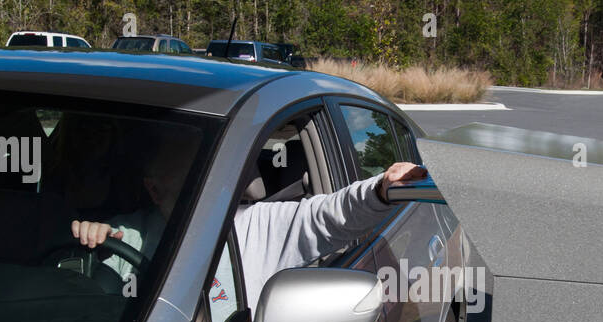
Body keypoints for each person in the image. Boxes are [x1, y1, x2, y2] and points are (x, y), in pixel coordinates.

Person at [69, 131, 427, 311]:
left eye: (214, 174)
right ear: (154, 189)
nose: (210, 187)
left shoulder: (252, 226)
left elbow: (329, 217)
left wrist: (380, 188)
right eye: (191, 178)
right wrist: (85, 244)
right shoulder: (125, 235)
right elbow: (82, 305)